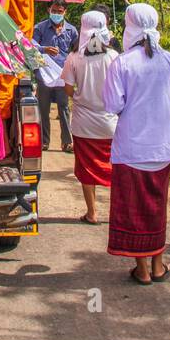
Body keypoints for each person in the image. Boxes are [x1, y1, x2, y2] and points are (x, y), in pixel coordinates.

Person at [103, 3, 170, 284]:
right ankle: (158, 265)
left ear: (129, 27)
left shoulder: (122, 63)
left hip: (131, 149)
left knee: (133, 210)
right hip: (162, 148)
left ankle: (141, 269)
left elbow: (113, 104)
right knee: (156, 208)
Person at [63, 11, 119, 225]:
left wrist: (80, 94)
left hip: (83, 123)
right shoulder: (113, 56)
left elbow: (68, 89)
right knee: (115, 168)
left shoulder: (74, 57)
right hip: (111, 123)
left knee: (87, 170)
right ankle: (116, 213)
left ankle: (92, 213)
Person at [33, 0, 78, 153]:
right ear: (49, 10)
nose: (57, 14)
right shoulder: (40, 28)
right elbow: (31, 47)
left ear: (65, 12)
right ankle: (44, 141)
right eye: (54, 11)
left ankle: (66, 142)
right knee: (43, 108)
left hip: (62, 76)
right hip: (44, 75)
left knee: (64, 108)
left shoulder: (71, 31)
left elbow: (76, 51)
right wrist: (44, 49)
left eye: (60, 12)